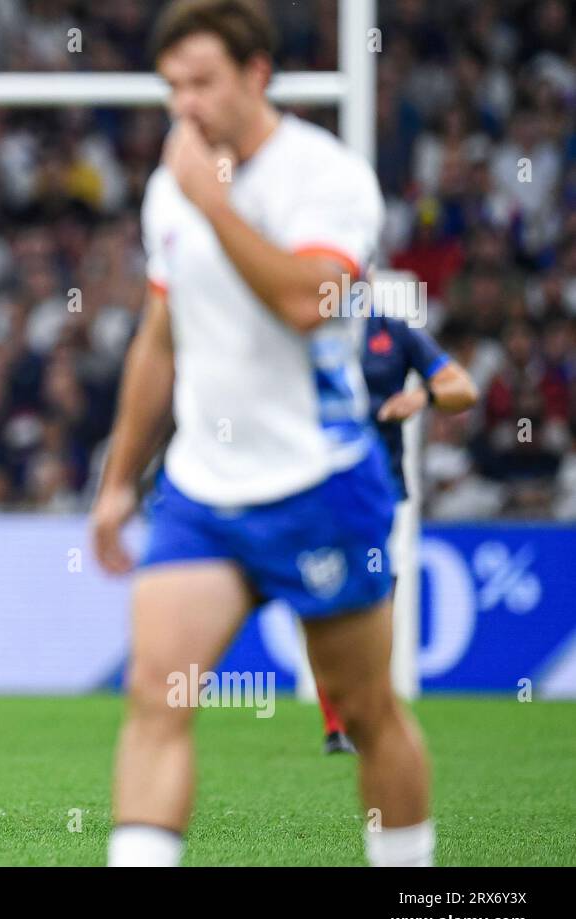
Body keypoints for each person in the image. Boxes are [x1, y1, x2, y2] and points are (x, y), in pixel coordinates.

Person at [90, 0, 434, 866]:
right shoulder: (172, 181)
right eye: (172, 88)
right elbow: (159, 339)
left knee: (367, 717)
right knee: (155, 703)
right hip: (203, 492)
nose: (186, 106)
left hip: (319, 483)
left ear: (257, 76)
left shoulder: (325, 177)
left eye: (202, 83)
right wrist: (117, 484)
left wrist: (215, 203)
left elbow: (307, 301)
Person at [316, 310, 479, 754]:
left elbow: (463, 389)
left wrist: (423, 396)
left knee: (374, 591)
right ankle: (336, 723)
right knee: (325, 594)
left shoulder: (392, 332)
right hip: (315, 481)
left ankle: (362, 710)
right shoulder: (302, 324)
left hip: (378, 486)